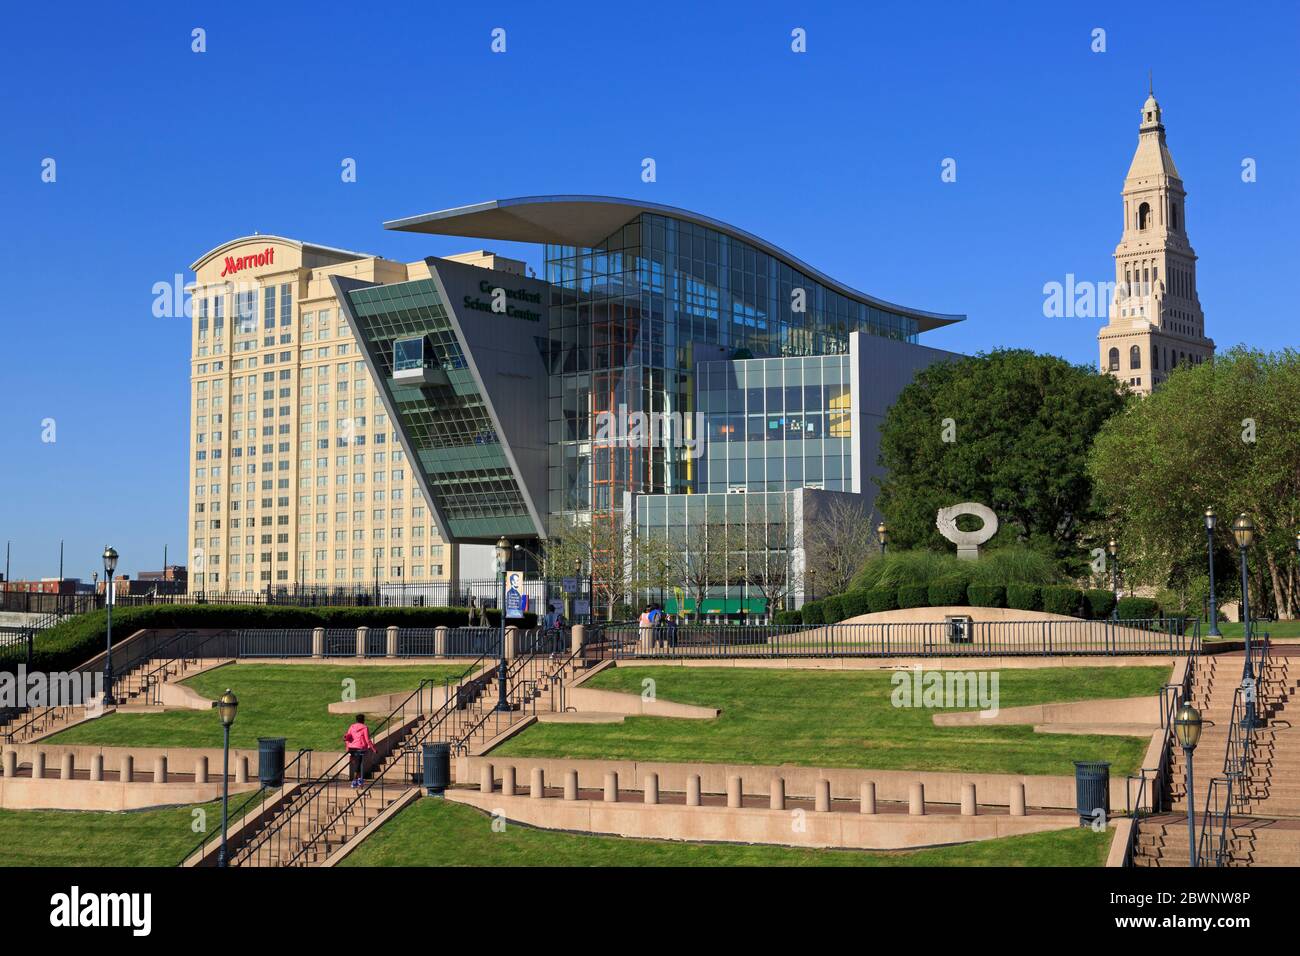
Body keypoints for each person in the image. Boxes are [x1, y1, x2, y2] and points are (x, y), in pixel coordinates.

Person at [343, 714, 376, 788]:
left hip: (351, 747)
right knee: (358, 765)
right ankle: (354, 781)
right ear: (363, 720)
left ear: (356, 720)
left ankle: (359, 780)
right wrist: (374, 749)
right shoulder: (365, 727)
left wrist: (347, 748)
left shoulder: (352, 726)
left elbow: (348, 737)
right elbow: (367, 740)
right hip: (359, 748)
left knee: (356, 764)